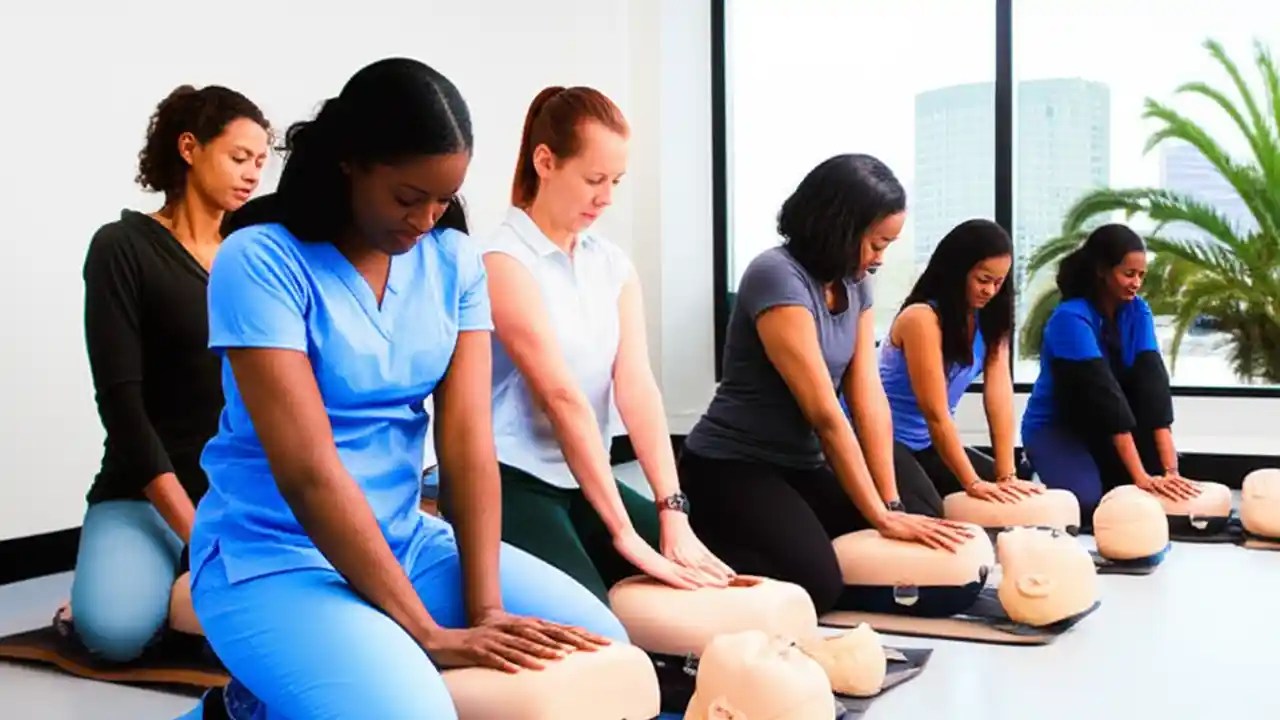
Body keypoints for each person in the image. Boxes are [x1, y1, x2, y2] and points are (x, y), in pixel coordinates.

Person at [184, 59, 626, 719]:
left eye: (443, 199)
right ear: (349, 165)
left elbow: (468, 441)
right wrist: (427, 632)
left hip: (404, 539)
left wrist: (486, 610)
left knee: (603, 656)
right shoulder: (260, 261)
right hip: (273, 553)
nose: (426, 218)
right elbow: (308, 471)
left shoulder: (454, 263)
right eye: (406, 196)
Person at [456, 85, 732, 606]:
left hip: (586, 477)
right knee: (592, 623)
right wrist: (624, 534)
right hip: (511, 479)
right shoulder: (502, 262)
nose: (606, 197)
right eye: (594, 179)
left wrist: (672, 513)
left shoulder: (612, 265)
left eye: (616, 182)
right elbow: (561, 400)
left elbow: (636, 384)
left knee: (711, 585)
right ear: (545, 161)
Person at [676, 153, 972, 615]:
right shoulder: (776, 275)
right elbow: (825, 414)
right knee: (817, 582)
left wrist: (890, 503)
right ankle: (703, 538)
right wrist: (877, 514)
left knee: (920, 522)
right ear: (840, 226)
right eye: (876, 244)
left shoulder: (856, 284)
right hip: (732, 464)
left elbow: (867, 395)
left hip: (801, 463)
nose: (880, 258)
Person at [69, 85, 270, 662]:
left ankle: (182, 591)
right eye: (239, 157)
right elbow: (122, 411)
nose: (252, 174)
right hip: (146, 494)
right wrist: (199, 533)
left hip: (242, 492)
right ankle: (138, 587)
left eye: (260, 161)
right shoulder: (122, 248)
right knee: (113, 632)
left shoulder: (255, 252)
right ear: (189, 148)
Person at [1021, 223, 1200, 525]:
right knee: (1088, 503)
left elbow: (1152, 386)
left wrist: (1170, 471)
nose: (1136, 283)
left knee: (1153, 492)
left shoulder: (1138, 311)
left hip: (1108, 426)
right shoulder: (1069, 318)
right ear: (1102, 270)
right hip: (1058, 427)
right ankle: (1037, 467)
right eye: (1128, 274)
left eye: (1141, 275)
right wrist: (1141, 477)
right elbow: (1101, 396)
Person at [878, 219, 1043, 502]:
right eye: (983, 280)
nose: (990, 291)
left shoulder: (991, 319)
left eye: (998, 282)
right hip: (882, 440)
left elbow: (999, 395)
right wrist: (973, 483)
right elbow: (936, 414)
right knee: (932, 513)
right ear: (957, 272)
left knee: (1016, 497)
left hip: (928, 444)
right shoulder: (922, 318)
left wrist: (1006, 476)